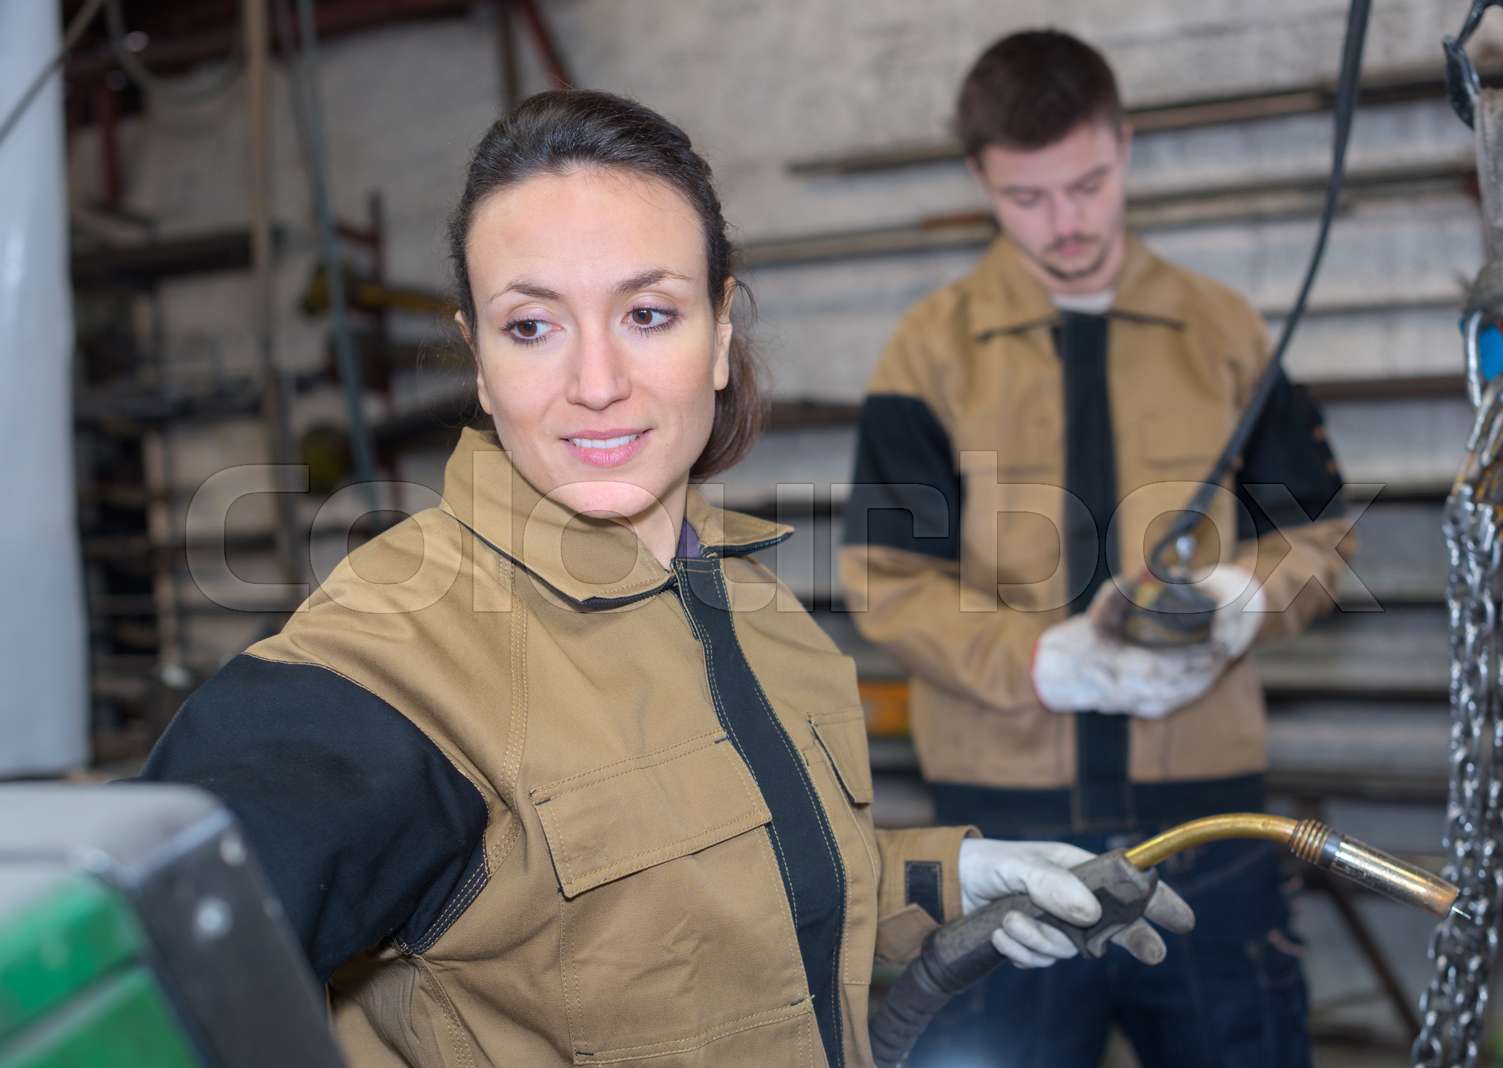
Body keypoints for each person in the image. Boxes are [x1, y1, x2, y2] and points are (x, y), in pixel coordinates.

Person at [137, 89, 1193, 1068]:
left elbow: (725, 888)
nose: (596, 384)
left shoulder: (764, 613)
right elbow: (130, 980)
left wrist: (952, 876)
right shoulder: (396, 650)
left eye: (647, 315)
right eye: (532, 326)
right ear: (477, 360)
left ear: (721, 333)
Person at [839, 30, 1353, 1068]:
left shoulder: (1224, 330)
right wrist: (1039, 660)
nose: (1065, 224)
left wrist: (1242, 599)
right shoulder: (927, 350)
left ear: (1125, 148)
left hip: (1211, 831)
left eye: (1087, 183)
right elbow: (886, 582)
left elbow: (1320, 536)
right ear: (980, 176)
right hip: (1004, 842)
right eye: (1027, 198)